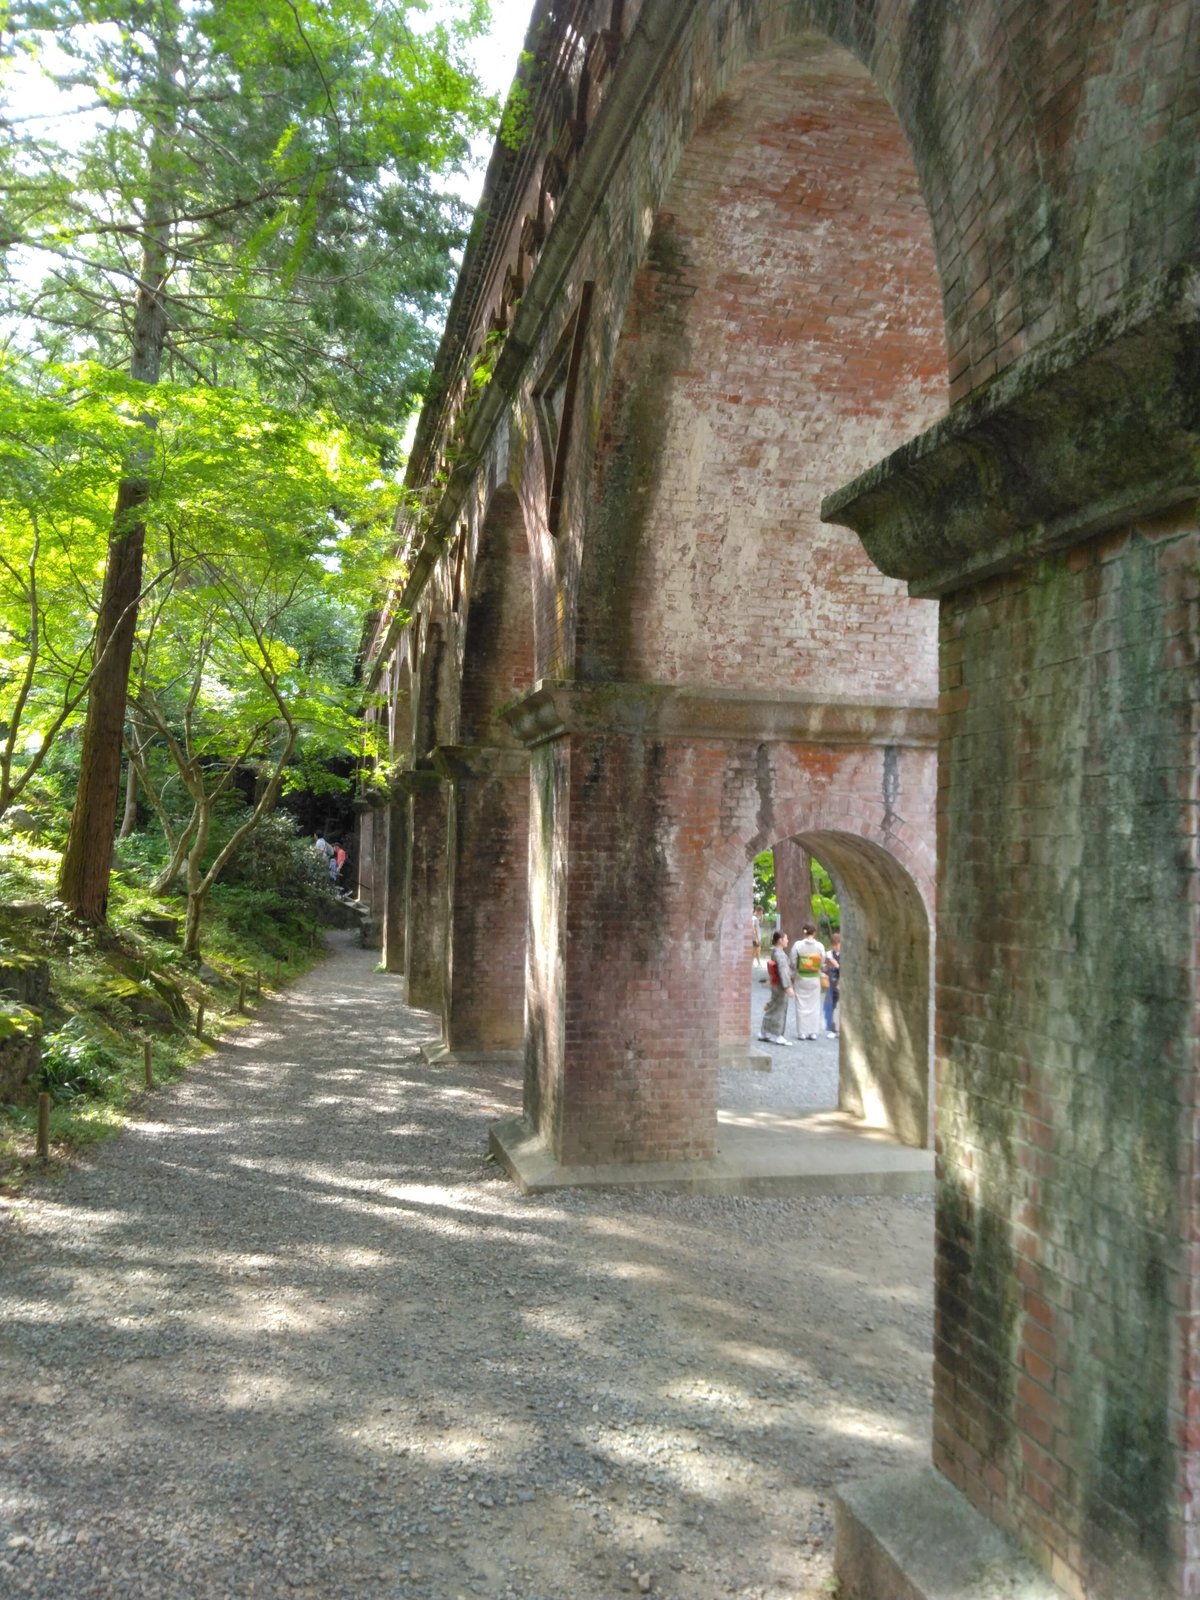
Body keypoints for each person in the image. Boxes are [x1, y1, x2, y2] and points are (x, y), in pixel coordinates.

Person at [789, 922, 825, 1040]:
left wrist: (796, 970)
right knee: (814, 1005)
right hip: (814, 977)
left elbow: (793, 962)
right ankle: (813, 1032)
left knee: (801, 1004)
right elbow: (822, 961)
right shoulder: (820, 946)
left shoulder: (798, 945)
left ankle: (802, 1032)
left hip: (801, 977)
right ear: (814, 933)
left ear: (804, 932)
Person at [758, 930, 794, 1046]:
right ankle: (778, 1035)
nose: (787, 940)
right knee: (779, 1009)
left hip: (776, 984)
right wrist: (787, 986)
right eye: (786, 938)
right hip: (780, 985)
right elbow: (783, 971)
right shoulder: (780, 954)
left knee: (773, 1007)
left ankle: (765, 1032)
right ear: (780, 940)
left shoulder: (775, 952)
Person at [823, 931, 842, 1037]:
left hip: (841, 983)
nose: (835, 947)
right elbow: (826, 969)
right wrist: (825, 968)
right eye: (833, 944)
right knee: (832, 1006)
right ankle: (834, 1030)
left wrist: (837, 965)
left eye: (837, 944)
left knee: (840, 1006)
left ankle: (839, 1030)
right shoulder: (830, 954)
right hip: (832, 983)